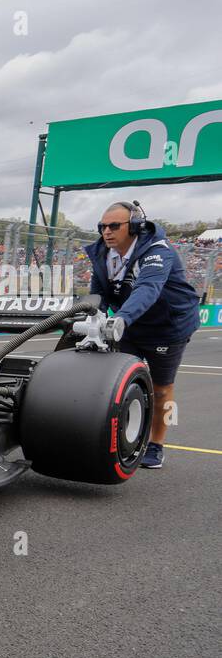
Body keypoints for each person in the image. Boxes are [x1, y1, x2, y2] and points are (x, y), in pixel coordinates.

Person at [85, 201, 200, 468]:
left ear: (135, 226)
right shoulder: (102, 252)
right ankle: (124, 433)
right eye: (102, 226)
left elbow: (148, 288)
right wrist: (94, 315)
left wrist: (121, 318)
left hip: (168, 328)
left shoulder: (159, 250)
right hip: (130, 325)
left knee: (162, 389)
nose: (106, 232)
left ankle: (157, 445)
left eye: (115, 226)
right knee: (117, 382)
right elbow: (98, 294)